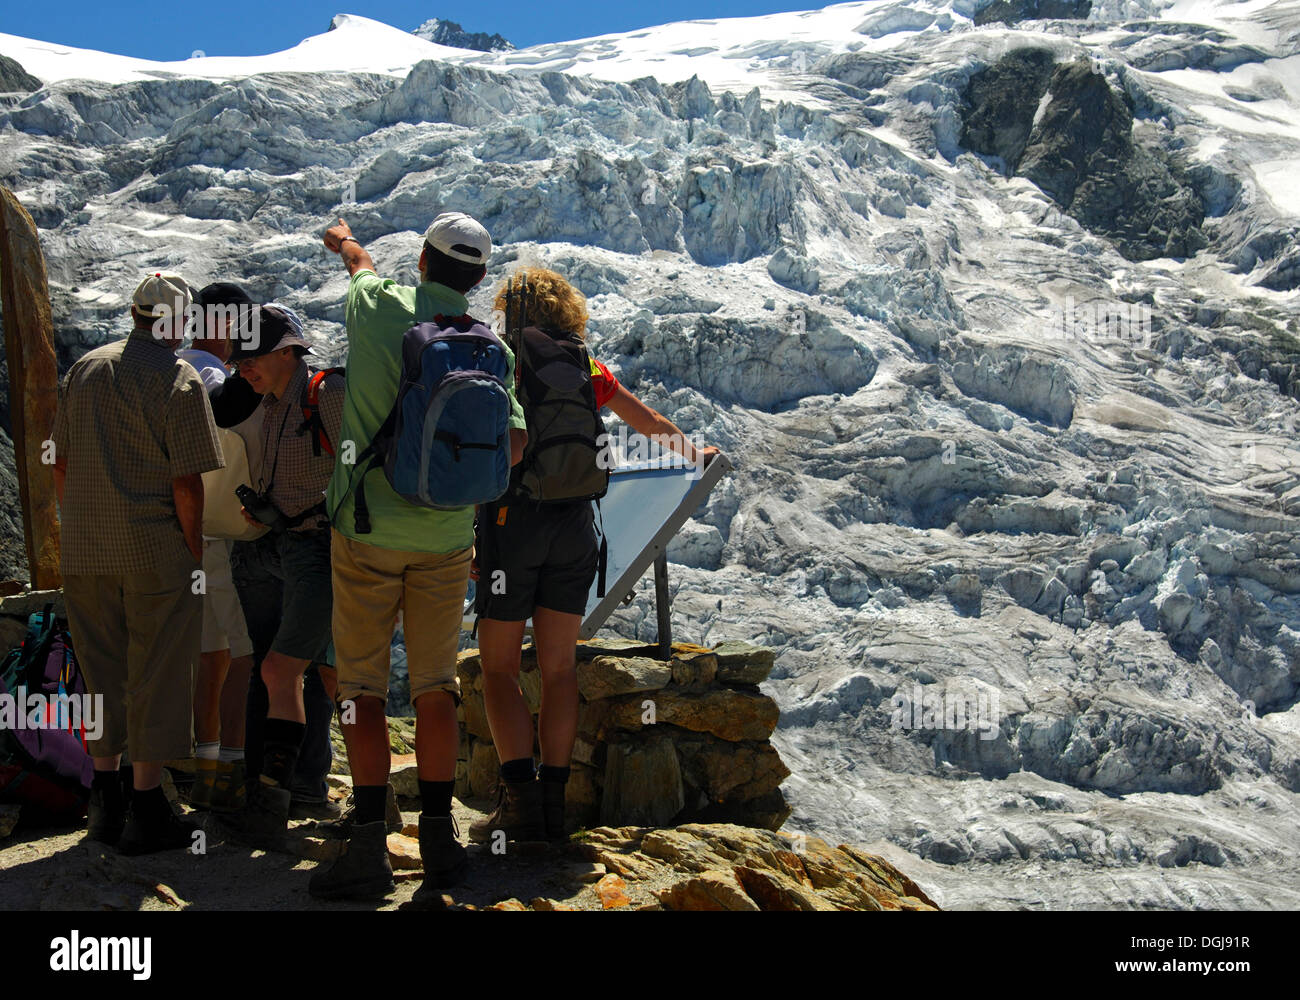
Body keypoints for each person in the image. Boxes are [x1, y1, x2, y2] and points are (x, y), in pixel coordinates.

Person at [308, 212, 527, 903]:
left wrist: (344, 240)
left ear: (424, 262)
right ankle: (440, 841)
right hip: (445, 541)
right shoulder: (495, 348)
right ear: (480, 279)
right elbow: (513, 446)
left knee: (360, 691)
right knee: (436, 685)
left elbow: (359, 268)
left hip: (367, 532)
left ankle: (367, 845)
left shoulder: (378, 309)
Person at [470, 266, 719, 844]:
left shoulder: (501, 360)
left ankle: (518, 804)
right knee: (560, 669)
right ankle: (554, 808)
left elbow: (497, 450)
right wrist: (692, 452)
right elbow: (647, 422)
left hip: (515, 525)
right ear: (568, 314)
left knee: (500, 669)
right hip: (578, 527)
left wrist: (472, 532)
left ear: (511, 310)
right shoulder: (585, 366)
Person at [52, 272, 224, 854]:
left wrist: (79, 522)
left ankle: (105, 800)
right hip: (153, 551)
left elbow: (60, 464)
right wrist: (192, 548)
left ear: (134, 313)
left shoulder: (85, 369)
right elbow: (187, 481)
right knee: (158, 673)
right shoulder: (178, 379)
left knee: (102, 673)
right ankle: (147, 806)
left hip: (82, 551)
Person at [217, 304, 345, 849]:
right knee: (338, 677)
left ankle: (270, 805)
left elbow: (360, 470)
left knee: (278, 669)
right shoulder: (272, 403)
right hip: (291, 546)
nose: (243, 367)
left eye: (252, 358)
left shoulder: (327, 393)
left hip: (323, 550)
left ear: (288, 350)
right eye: (239, 359)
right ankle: (370, 801)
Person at [177, 282, 257, 813]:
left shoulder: (171, 367)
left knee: (202, 658)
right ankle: (227, 771)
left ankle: (197, 765)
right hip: (214, 536)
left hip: (169, 533)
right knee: (234, 658)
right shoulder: (212, 379)